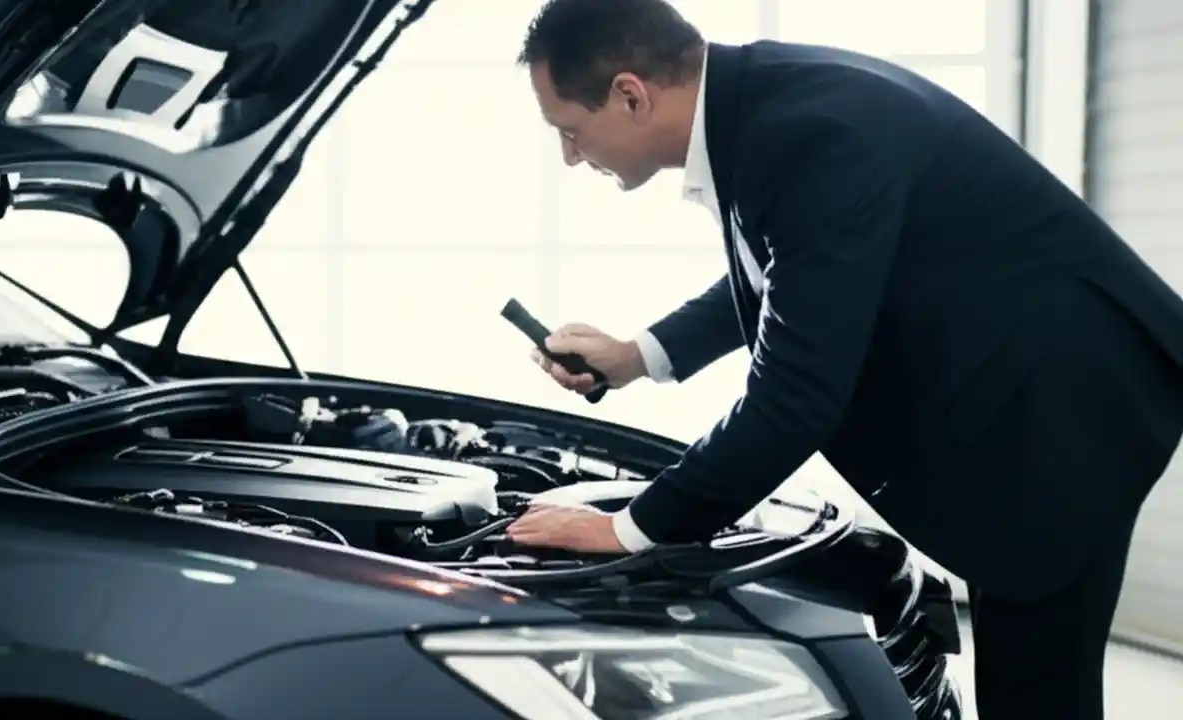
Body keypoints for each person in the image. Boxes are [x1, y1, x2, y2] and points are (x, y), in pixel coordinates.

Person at [502, 0, 1183, 718]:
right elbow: (798, 271)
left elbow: (794, 399)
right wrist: (636, 355)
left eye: (570, 131)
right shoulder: (762, 105)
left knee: (1035, 696)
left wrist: (630, 527)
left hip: (1063, 423)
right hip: (1031, 403)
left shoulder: (807, 136)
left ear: (631, 95)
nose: (571, 156)